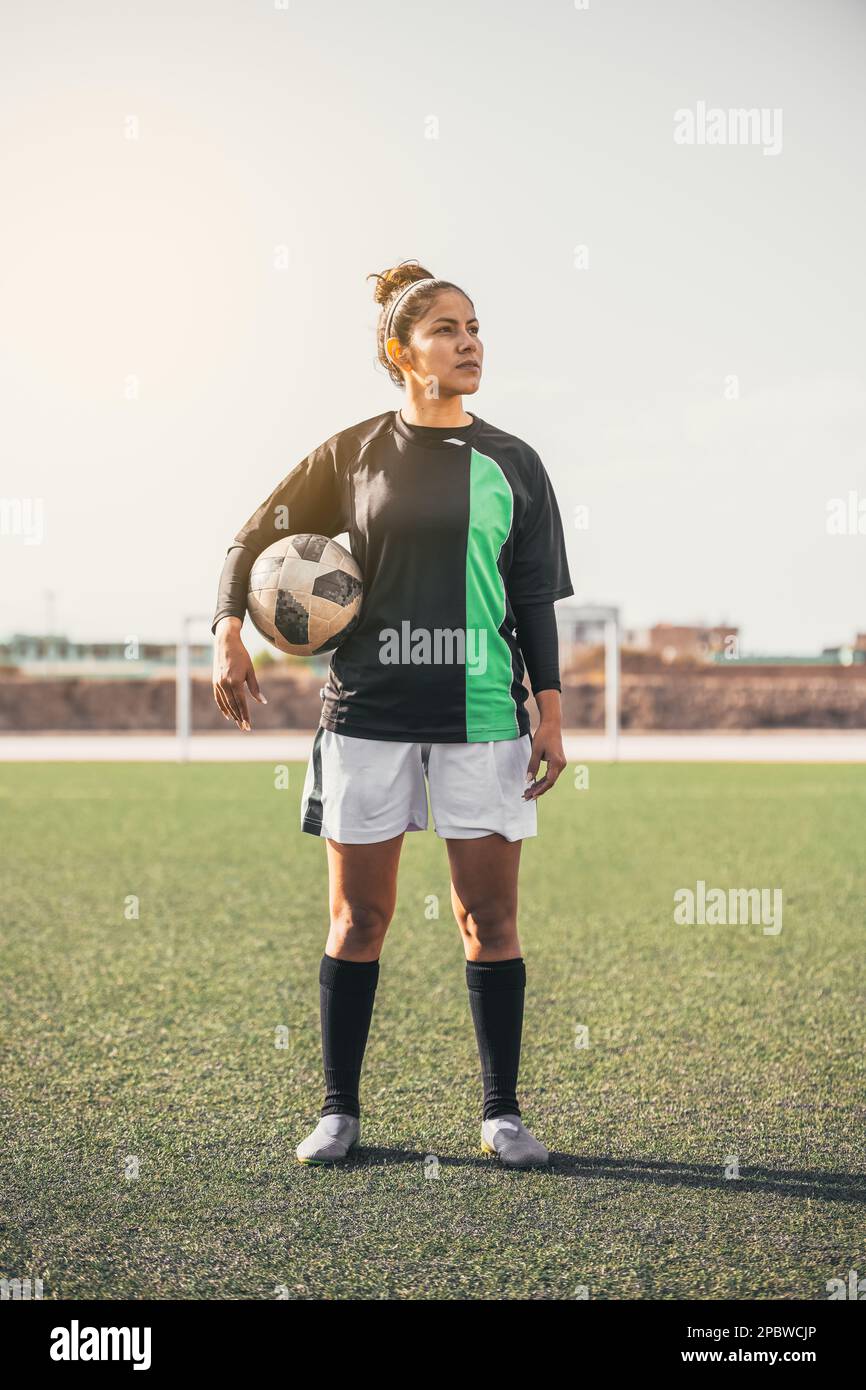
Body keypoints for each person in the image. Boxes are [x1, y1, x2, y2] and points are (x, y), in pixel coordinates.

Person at [211, 260, 574, 1168]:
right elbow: (251, 540)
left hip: (485, 714)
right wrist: (229, 633)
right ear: (400, 351)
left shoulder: (515, 463)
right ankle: (339, 1112)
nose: (470, 342)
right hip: (367, 712)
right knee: (357, 920)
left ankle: (502, 1115)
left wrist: (552, 714)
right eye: (448, 329)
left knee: (489, 918)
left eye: (475, 326)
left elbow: (532, 601)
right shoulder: (353, 454)